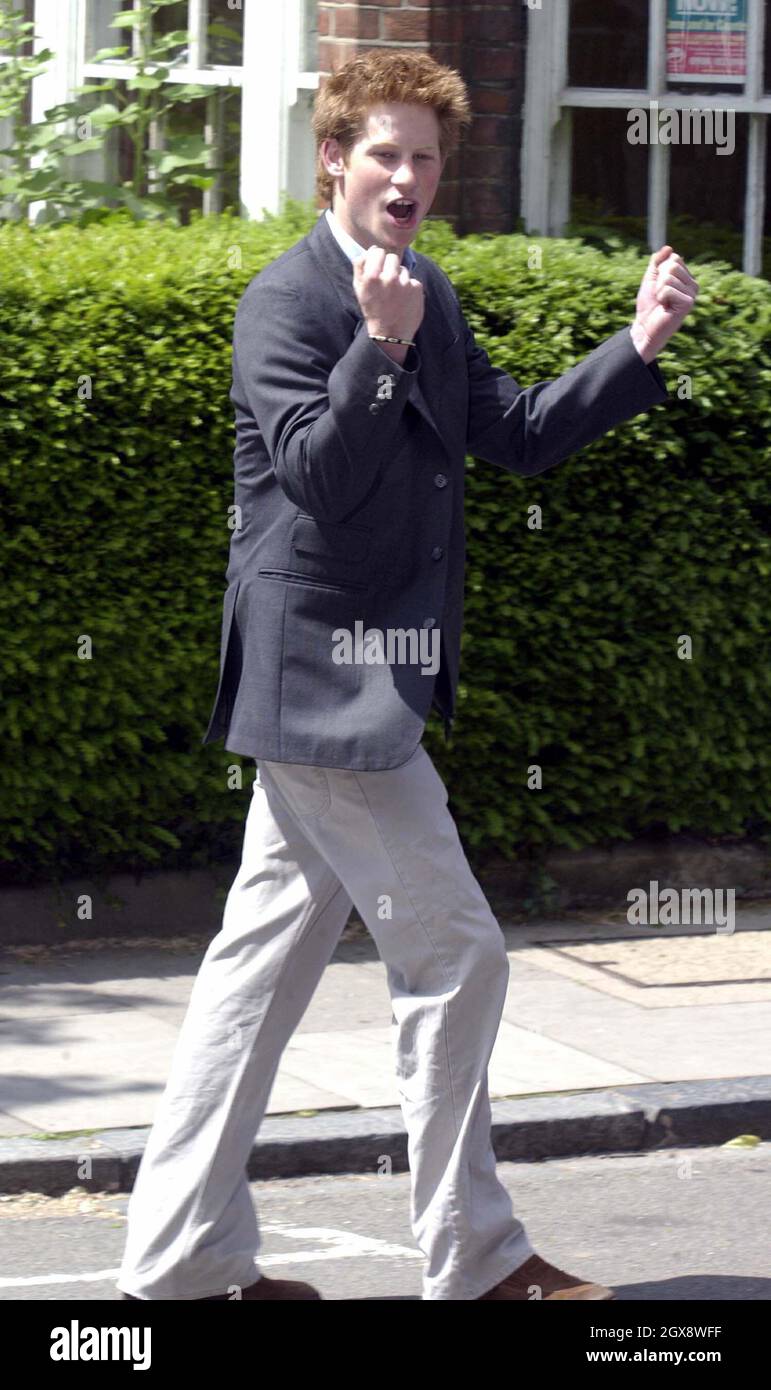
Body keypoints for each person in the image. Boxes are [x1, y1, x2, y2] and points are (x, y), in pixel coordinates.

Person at [117, 50, 698, 1302]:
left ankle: (178, 1264)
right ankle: (479, 1261)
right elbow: (317, 480)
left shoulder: (428, 288)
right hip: (325, 685)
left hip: (363, 684)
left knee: (255, 977)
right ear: (335, 157)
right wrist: (376, 351)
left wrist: (635, 346)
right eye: (384, 152)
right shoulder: (290, 301)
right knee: (460, 953)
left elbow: (518, 436)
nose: (408, 177)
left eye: (427, 158)